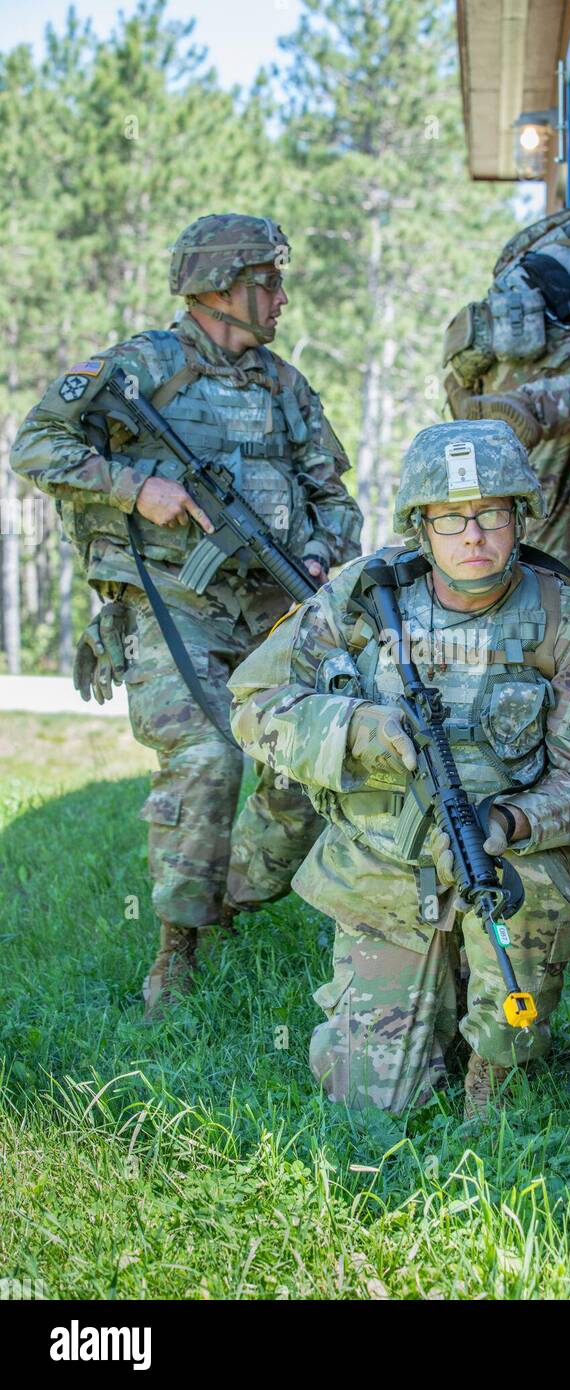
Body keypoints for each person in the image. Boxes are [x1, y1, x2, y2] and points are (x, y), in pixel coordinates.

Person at [227, 419, 570, 1120]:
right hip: (386, 868)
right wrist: (352, 728)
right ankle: (427, 999)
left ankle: (493, 1067)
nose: (473, 536)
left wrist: (509, 820)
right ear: (421, 525)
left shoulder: (569, 624)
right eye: (451, 519)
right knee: (370, 1103)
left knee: (511, 1025)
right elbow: (253, 705)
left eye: (490, 513)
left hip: (508, 871)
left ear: (519, 517)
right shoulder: (363, 597)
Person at [11, 213, 363, 1017]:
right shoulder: (142, 368)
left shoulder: (284, 387)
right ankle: (178, 946)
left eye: (279, 280)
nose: (280, 297)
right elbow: (34, 446)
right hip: (172, 602)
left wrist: (317, 554)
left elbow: (335, 497)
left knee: (312, 766)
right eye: (265, 281)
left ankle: (230, 894)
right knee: (207, 757)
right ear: (217, 288)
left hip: (272, 609)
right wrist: (139, 489)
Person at [442, 201, 570, 590]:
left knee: (550, 566)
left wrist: (527, 410)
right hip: (545, 308)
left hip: (548, 337)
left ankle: (553, 603)